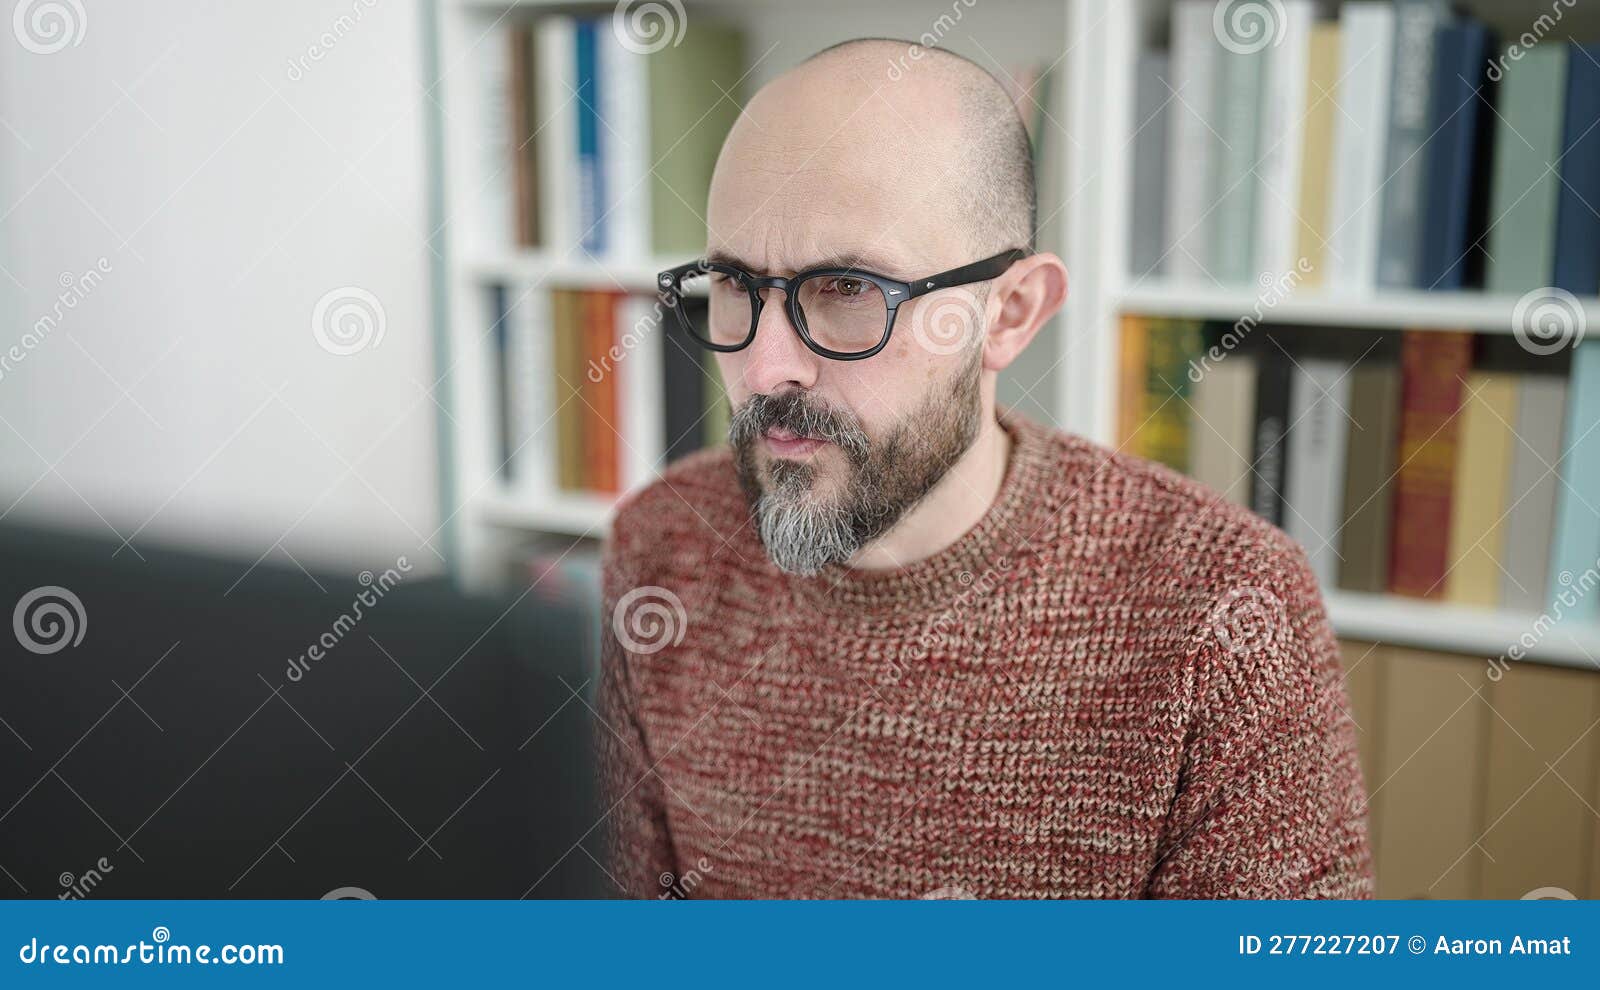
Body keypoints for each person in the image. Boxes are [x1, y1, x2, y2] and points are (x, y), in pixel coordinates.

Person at [597, 38, 1372, 898]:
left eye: (848, 288)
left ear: (1008, 314)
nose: (765, 368)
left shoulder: (1227, 612)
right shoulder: (659, 548)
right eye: (734, 284)